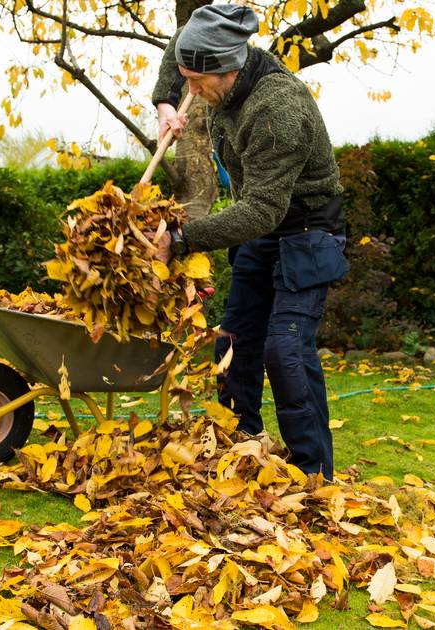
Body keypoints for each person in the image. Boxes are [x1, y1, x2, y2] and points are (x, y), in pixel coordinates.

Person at [150, 4, 347, 480]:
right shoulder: (217, 78)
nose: (193, 93)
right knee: (232, 343)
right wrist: (166, 102)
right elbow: (180, 42)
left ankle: (314, 476)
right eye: (187, 81)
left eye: (198, 83)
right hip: (263, 230)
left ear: (228, 67)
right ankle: (242, 449)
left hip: (306, 230)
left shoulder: (275, 109)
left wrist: (180, 238)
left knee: (286, 349)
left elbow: (262, 208)